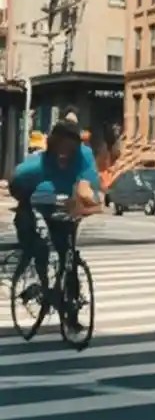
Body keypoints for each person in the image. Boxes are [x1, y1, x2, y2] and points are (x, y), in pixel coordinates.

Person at [8, 118, 102, 330]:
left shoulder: (84, 156)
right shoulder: (36, 166)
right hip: (35, 200)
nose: (64, 155)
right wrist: (25, 207)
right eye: (59, 149)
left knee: (68, 256)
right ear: (51, 146)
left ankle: (71, 310)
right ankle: (41, 284)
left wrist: (89, 205)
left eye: (69, 150)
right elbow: (16, 183)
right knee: (37, 245)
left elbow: (86, 187)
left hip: (65, 205)